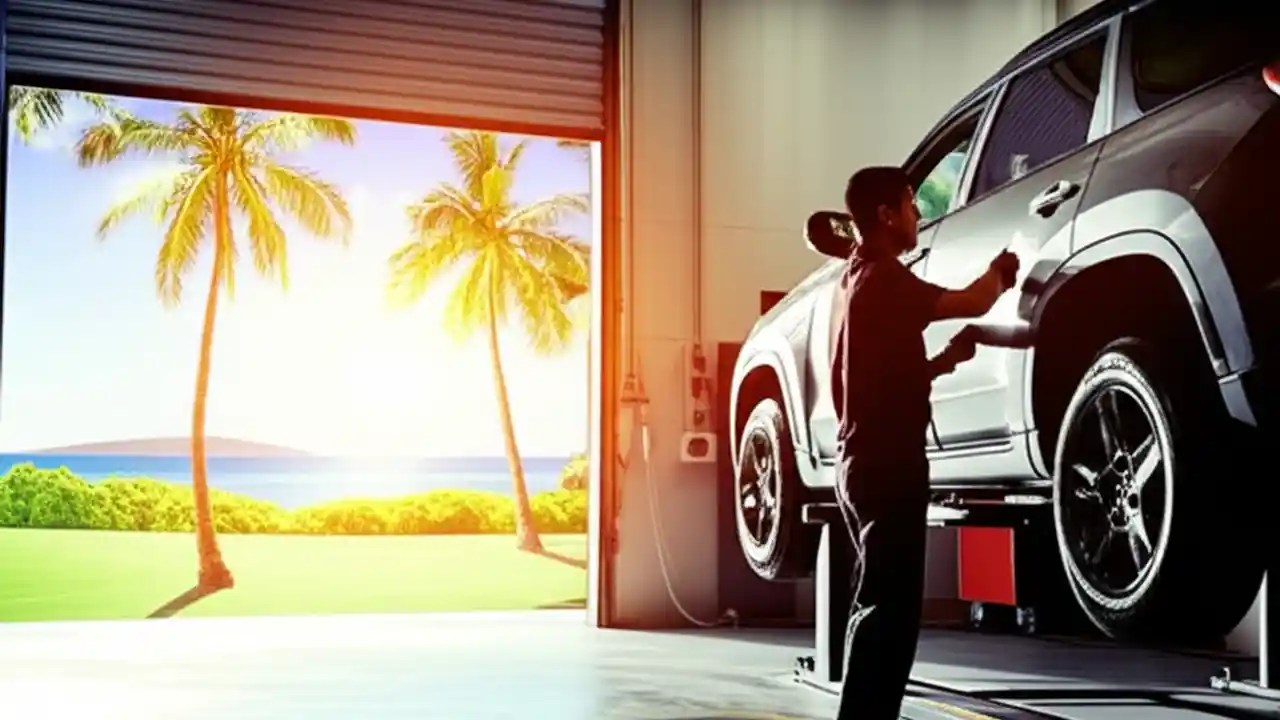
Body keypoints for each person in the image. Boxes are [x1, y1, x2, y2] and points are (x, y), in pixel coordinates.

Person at [829, 166, 1019, 720]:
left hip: (862, 462)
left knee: (878, 604)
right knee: (889, 612)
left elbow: (880, 372)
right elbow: (972, 301)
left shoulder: (854, 278)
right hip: (887, 466)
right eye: (912, 205)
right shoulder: (885, 278)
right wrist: (1006, 267)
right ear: (886, 216)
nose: (920, 215)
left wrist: (941, 362)